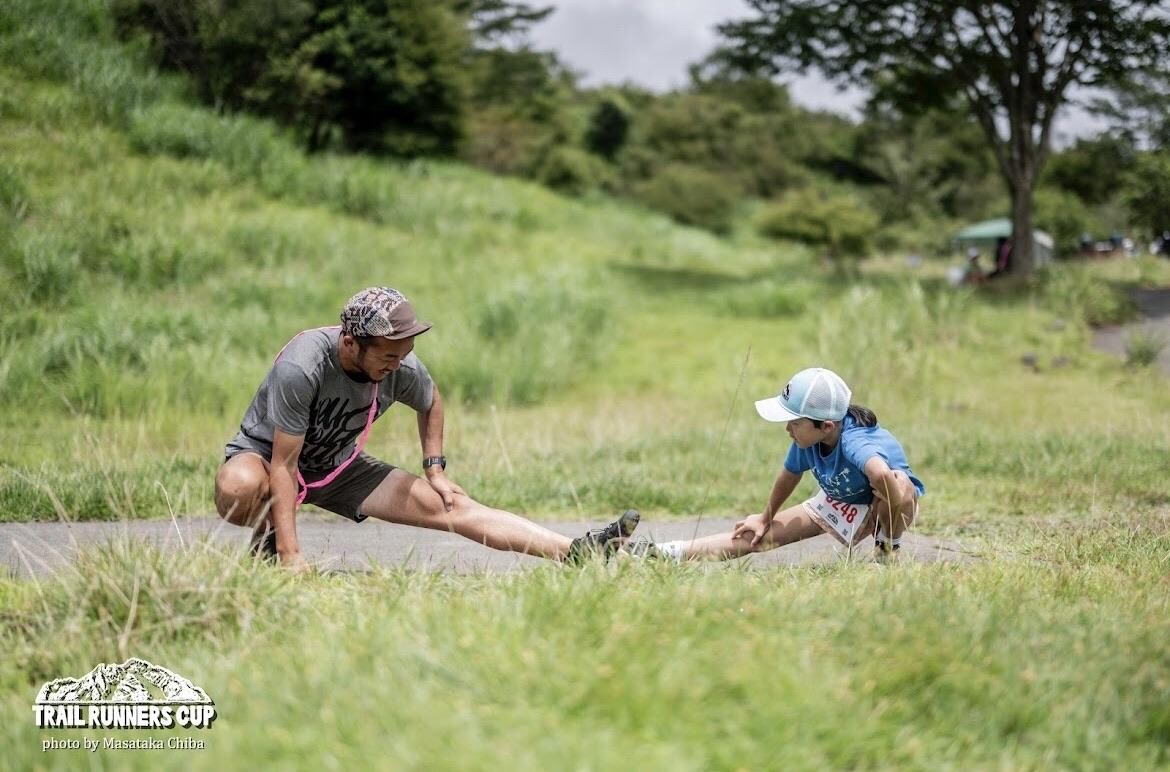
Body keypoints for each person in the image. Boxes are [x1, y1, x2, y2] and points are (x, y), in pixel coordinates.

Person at [215, 286, 638, 571]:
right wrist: (292, 556)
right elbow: (285, 467)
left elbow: (431, 399)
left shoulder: (398, 363)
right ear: (350, 343)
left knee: (451, 507)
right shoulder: (302, 366)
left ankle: (577, 552)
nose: (397, 366)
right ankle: (271, 541)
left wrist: (434, 468)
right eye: (387, 356)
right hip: (269, 461)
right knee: (239, 485)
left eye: (405, 354)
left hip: (338, 468)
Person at [625, 367, 924, 563]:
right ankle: (662, 554)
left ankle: (886, 553)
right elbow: (789, 475)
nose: (787, 429)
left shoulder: (855, 442)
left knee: (898, 482)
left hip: (891, 503)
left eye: (794, 422)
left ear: (827, 426)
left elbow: (882, 474)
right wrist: (766, 516)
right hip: (840, 500)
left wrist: (886, 520)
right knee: (757, 537)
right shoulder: (808, 442)